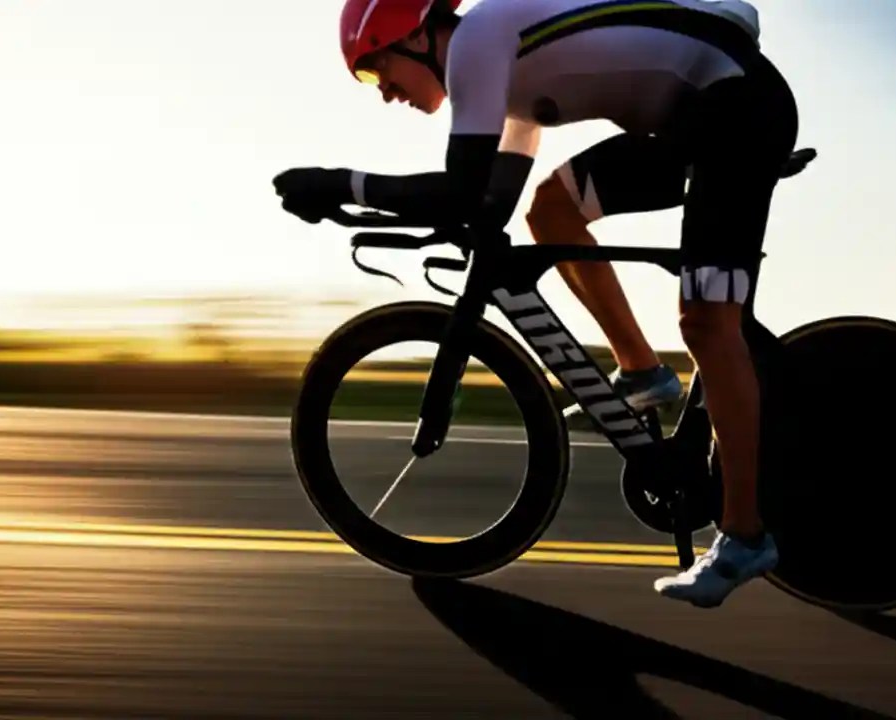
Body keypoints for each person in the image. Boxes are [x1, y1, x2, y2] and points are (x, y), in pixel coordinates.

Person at [272, 0, 799, 608]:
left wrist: (341, 183)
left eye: (374, 68)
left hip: (738, 112)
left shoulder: (475, 43)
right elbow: (488, 205)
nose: (383, 91)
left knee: (707, 324)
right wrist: (383, 207)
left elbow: (459, 192)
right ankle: (644, 373)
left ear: (413, 35)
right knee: (552, 210)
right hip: (700, 122)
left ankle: (743, 537)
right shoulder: (505, 82)